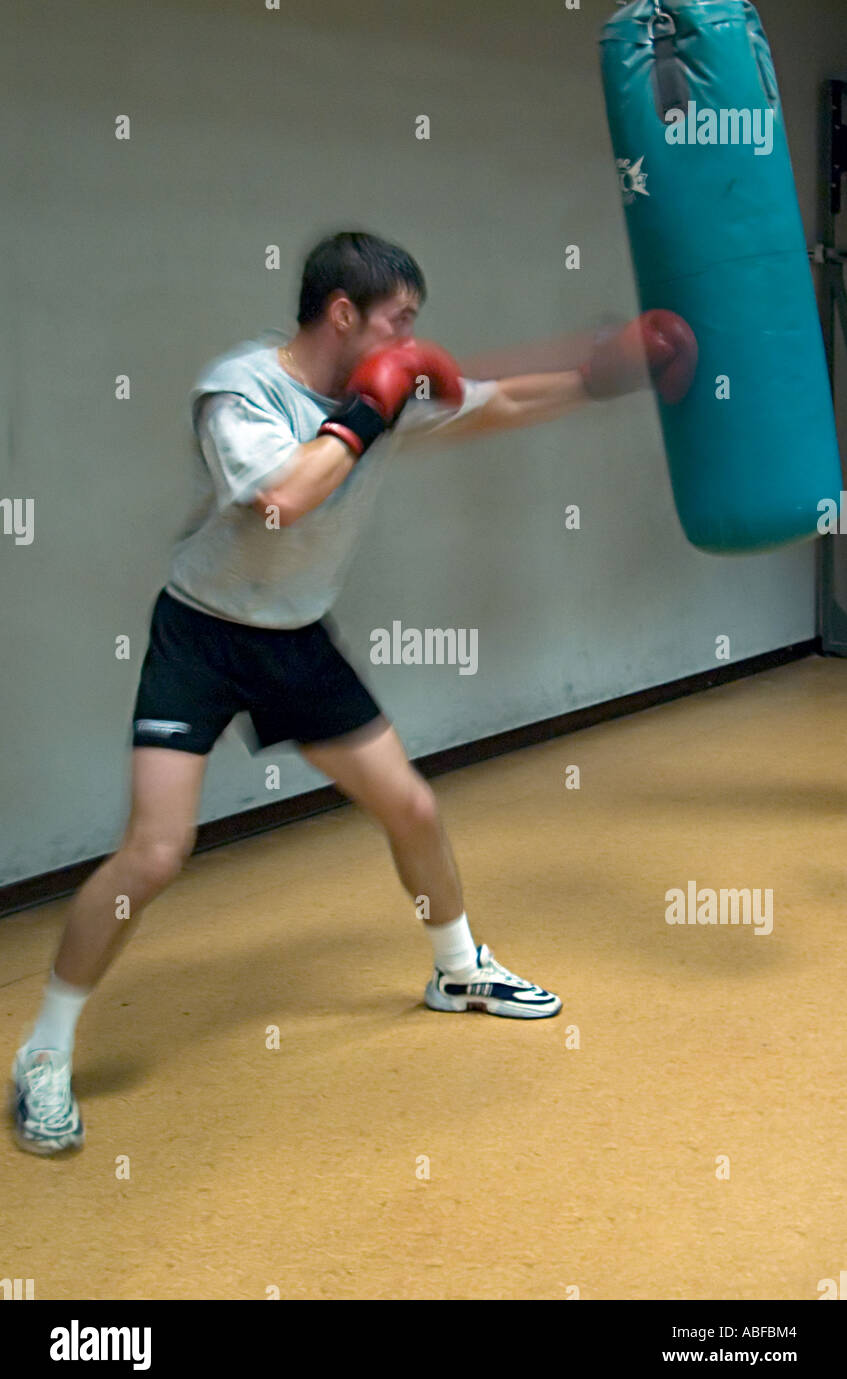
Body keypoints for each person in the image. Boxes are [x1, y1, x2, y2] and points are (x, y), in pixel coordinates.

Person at [10, 231, 697, 1155]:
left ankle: (456, 970)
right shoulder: (240, 389)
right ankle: (44, 1055)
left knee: (410, 806)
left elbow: (493, 405)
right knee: (156, 852)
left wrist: (605, 378)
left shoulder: (383, 391)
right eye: (399, 320)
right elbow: (280, 499)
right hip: (203, 636)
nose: (412, 337)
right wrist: (372, 409)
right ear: (343, 314)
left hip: (297, 638)